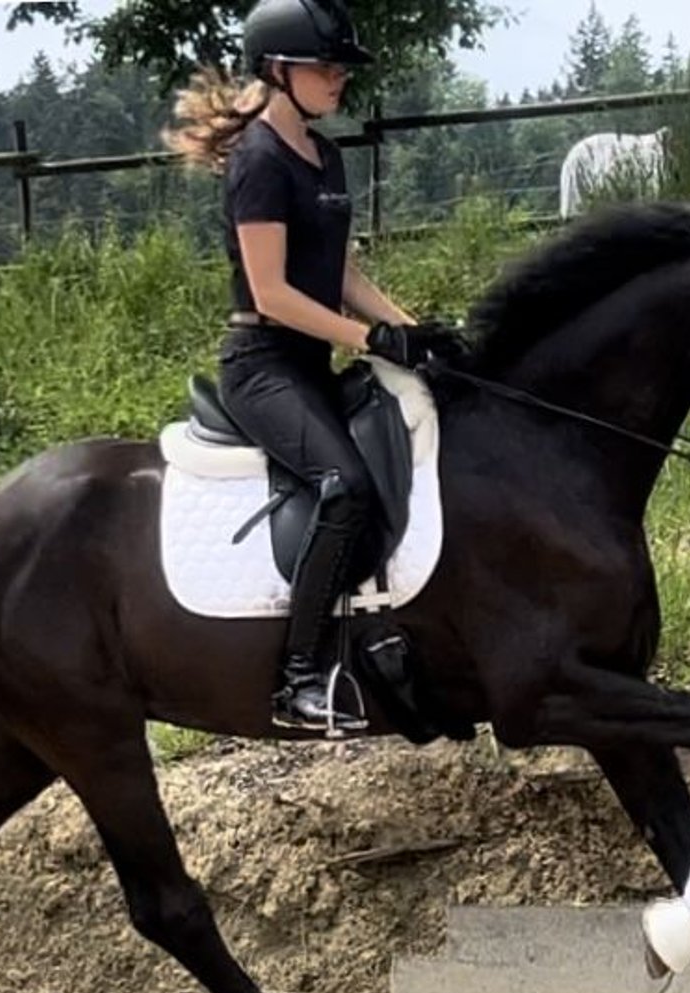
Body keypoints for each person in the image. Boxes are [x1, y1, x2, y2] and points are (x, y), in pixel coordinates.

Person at [164, 0, 467, 733]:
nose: (338, 80)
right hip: (263, 365)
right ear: (278, 71)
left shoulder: (323, 157)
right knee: (345, 485)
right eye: (325, 67)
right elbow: (272, 294)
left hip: (311, 358)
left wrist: (411, 330)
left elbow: (340, 274)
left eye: (339, 69)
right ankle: (297, 677)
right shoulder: (260, 162)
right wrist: (368, 341)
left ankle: (380, 633)